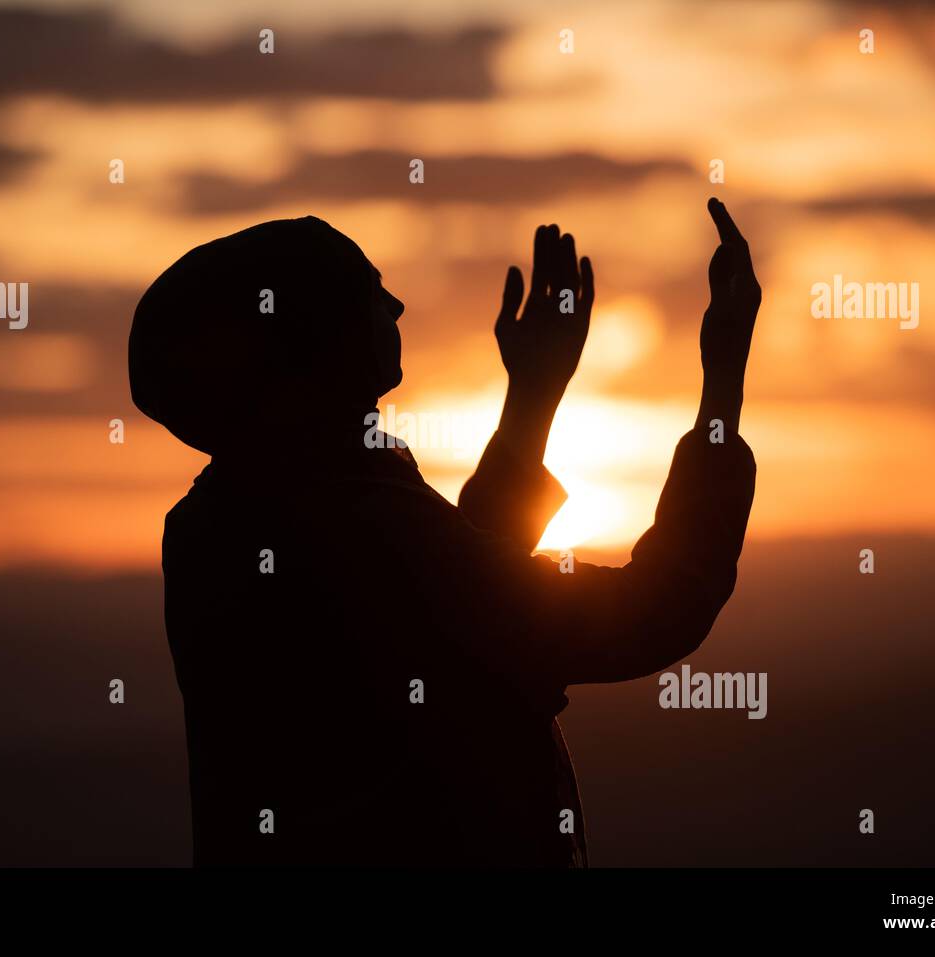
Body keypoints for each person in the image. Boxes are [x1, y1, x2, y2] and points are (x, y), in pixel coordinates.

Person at [127, 199, 760, 866]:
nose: (397, 305)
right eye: (369, 290)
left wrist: (533, 395)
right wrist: (723, 377)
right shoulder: (354, 518)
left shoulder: (232, 517)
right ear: (314, 335)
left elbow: (458, 592)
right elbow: (652, 608)